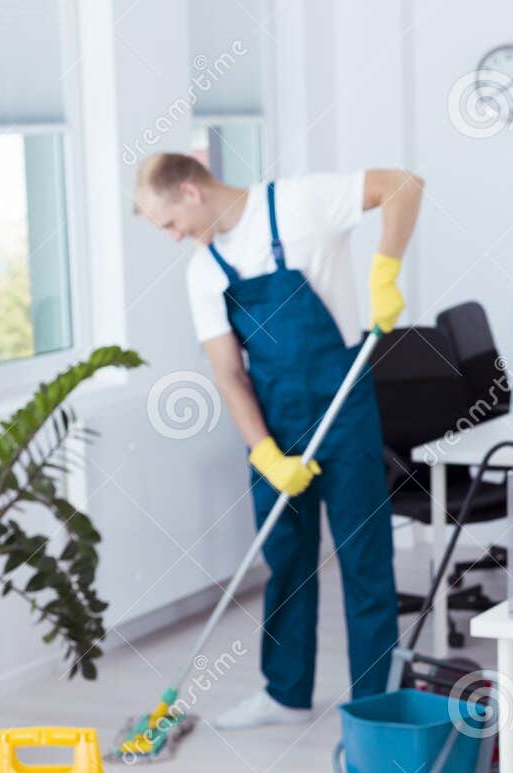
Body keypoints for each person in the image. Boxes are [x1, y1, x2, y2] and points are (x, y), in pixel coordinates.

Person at [133, 154, 423, 728]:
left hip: (343, 407)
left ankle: (376, 704)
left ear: (190, 191)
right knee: (286, 559)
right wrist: (265, 451)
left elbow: (403, 186)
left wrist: (386, 267)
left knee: (365, 558)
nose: (172, 237)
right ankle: (285, 694)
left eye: (167, 222)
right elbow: (230, 374)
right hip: (272, 419)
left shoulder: (297, 202)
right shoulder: (204, 269)